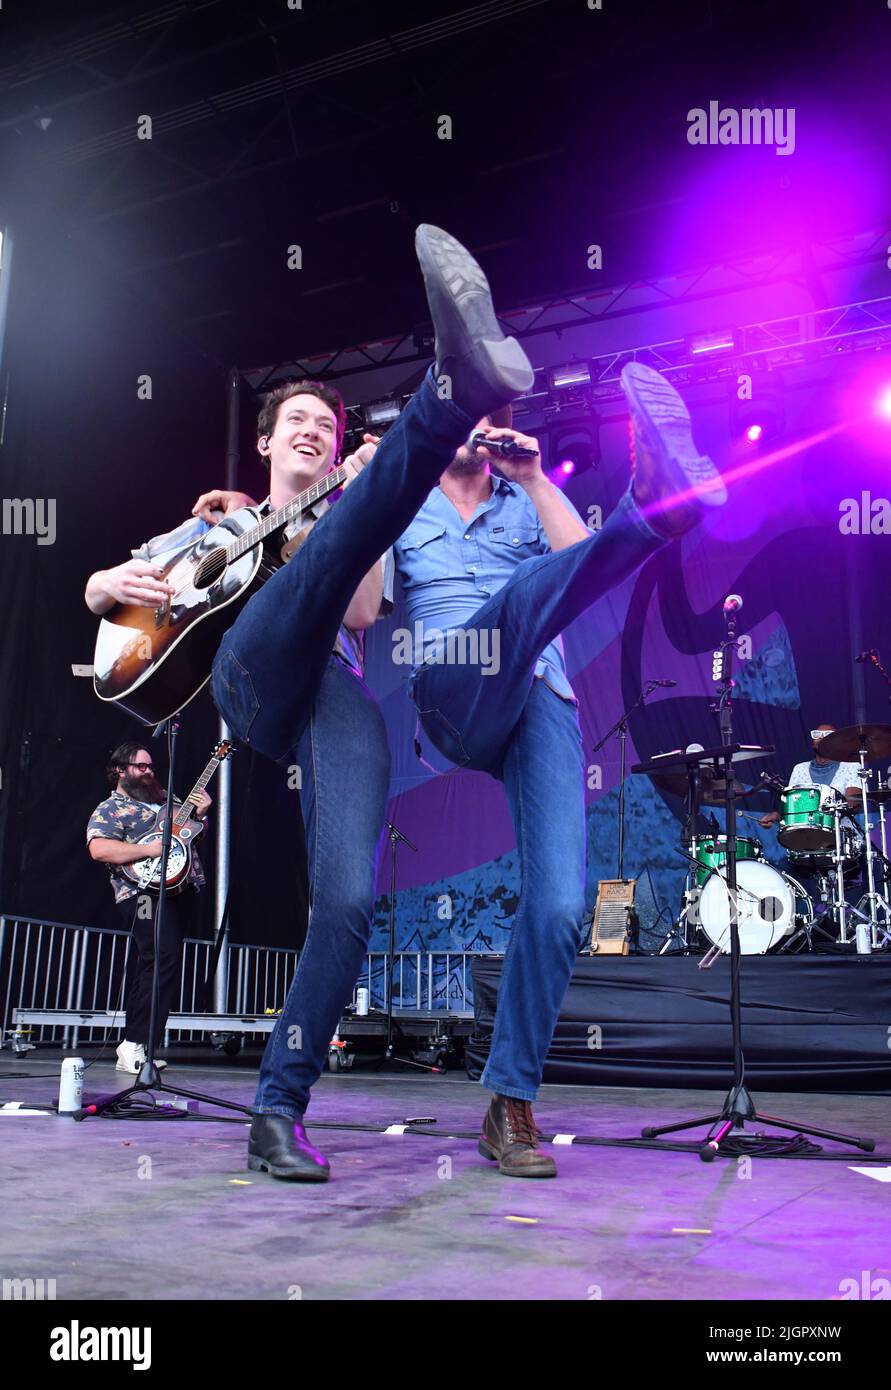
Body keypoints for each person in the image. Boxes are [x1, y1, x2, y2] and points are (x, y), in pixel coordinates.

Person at [87, 224, 537, 1180]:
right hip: (250, 678)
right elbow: (100, 599)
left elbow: (366, 606)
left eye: (326, 427)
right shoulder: (218, 523)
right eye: (297, 421)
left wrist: (354, 503)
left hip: (329, 685)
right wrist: (110, 580)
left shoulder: (346, 505)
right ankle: (451, 390)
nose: (313, 431)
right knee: (273, 600)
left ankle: (275, 1111)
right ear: (265, 441)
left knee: (346, 902)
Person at [390, 362, 726, 1176]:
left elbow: (579, 576)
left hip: (540, 692)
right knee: (516, 602)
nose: (476, 424)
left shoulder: (523, 498)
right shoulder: (402, 504)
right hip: (452, 689)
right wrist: (366, 491)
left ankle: (509, 1105)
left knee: (558, 908)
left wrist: (536, 479)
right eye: (460, 411)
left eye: (489, 414)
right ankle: (655, 510)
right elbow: (365, 609)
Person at [86, 742, 210, 1072]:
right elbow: (99, 849)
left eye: (151, 766)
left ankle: (141, 1046)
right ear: (120, 771)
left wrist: (201, 814)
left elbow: (191, 834)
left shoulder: (167, 801)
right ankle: (134, 1043)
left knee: (161, 963)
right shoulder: (111, 809)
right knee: (160, 958)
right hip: (140, 893)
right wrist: (149, 850)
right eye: (141, 766)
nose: (149, 771)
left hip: (179, 889)